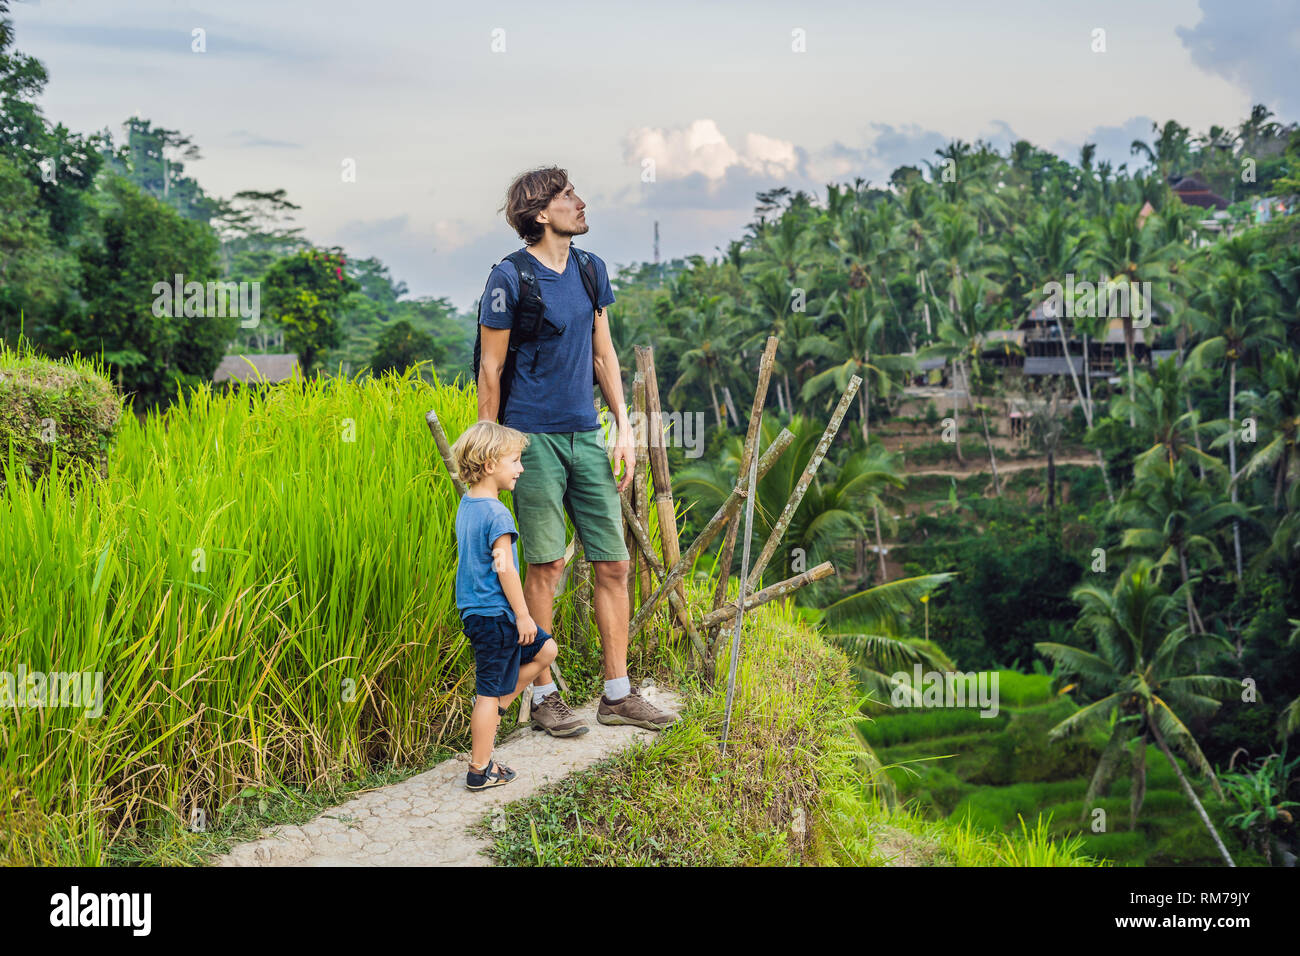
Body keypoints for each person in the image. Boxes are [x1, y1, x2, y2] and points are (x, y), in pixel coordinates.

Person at [476, 165, 676, 734]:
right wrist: (493, 448)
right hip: (530, 440)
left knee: (613, 562)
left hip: (586, 435)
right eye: (568, 197)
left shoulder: (590, 270)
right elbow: (491, 367)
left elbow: (604, 354)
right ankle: (543, 699)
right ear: (541, 214)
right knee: (546, 565)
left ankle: (617, 694)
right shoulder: (509, 278)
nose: (581, 203)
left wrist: (623, 427)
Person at [450, 420, 565, 791]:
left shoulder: (469, 504)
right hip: (496, 614)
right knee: (487, 690)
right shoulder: (497, 513)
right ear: (488, 464)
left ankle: (498, 708)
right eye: (515, 461)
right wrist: (523, 614)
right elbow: (504, 569)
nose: (521, 468)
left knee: (546, 649)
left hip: (475, 612)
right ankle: (480, 769)